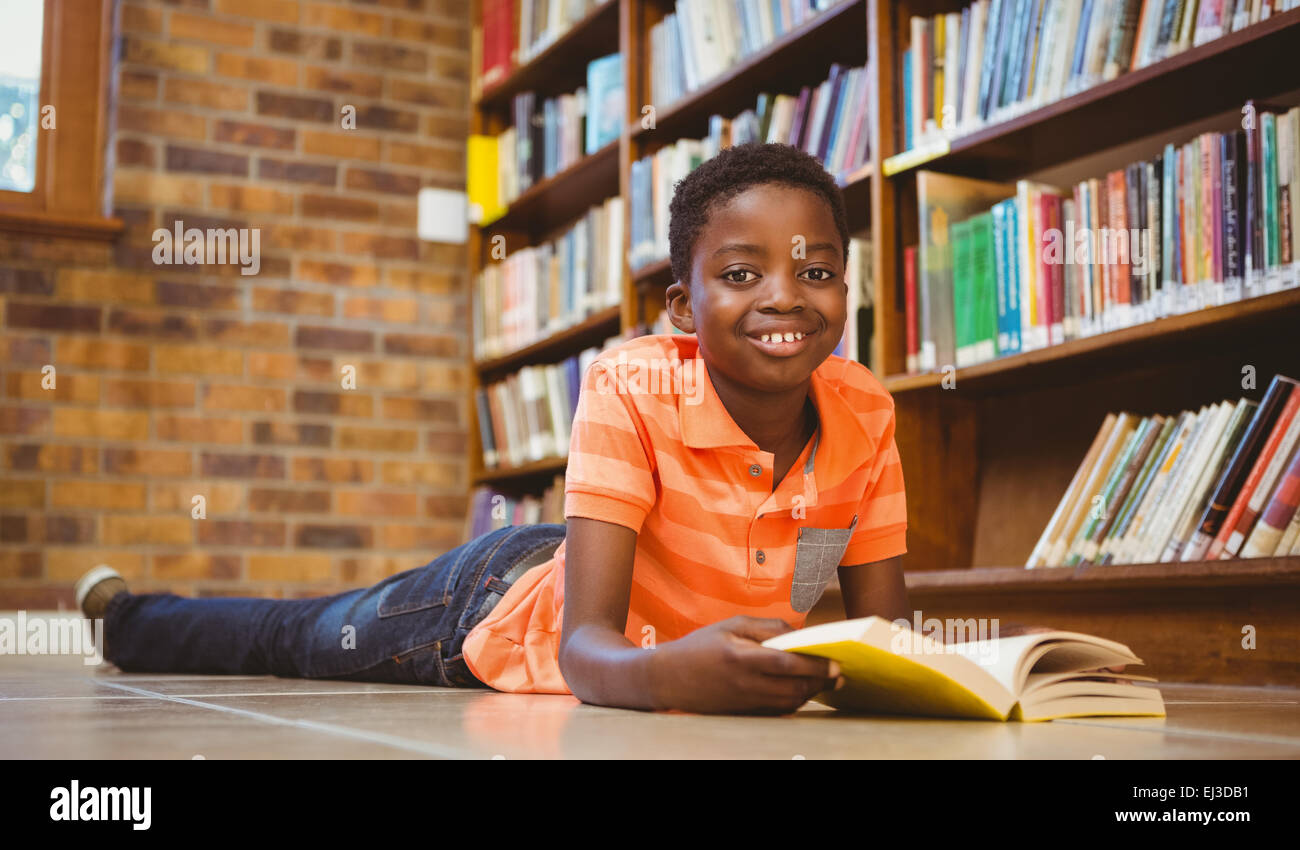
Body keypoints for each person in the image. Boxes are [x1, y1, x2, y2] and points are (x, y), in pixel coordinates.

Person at [77, 142, 912, 715]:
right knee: (297, 636)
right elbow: (586, 650)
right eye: (741, 272)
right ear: (684, 308)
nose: (784, 297)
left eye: (817, 270)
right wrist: (670, 671)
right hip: (497, 605)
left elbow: (889, 642)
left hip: (584, 565)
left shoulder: (865, 409)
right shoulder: (635, 382)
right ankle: (129, 617)